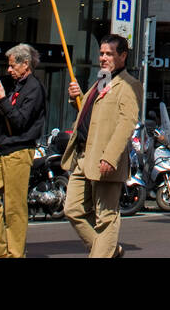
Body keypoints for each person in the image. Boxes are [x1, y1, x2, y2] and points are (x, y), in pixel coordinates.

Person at [60, 35, 140, 259]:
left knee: (106, 216)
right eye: (102, 53)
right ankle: (109, 250)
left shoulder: (129, 85)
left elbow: (126, 123)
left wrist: (110, 157)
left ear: (122, 56)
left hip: (105, 159)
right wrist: (76, 99)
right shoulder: (102, 79)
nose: (103, 58)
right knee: (73, 209)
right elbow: (91, 113)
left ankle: (102, 253)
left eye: (109, 54)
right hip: (84, 155)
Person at [0, 44, 46, 258]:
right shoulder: (13, 86)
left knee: (14, 206)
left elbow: (19, 121)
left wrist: (2, 100)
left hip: (20, 149)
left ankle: (15, 253)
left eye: (12, 66)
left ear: (25, 64)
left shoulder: (34, 88)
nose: (9, 70)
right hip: (3, 148)